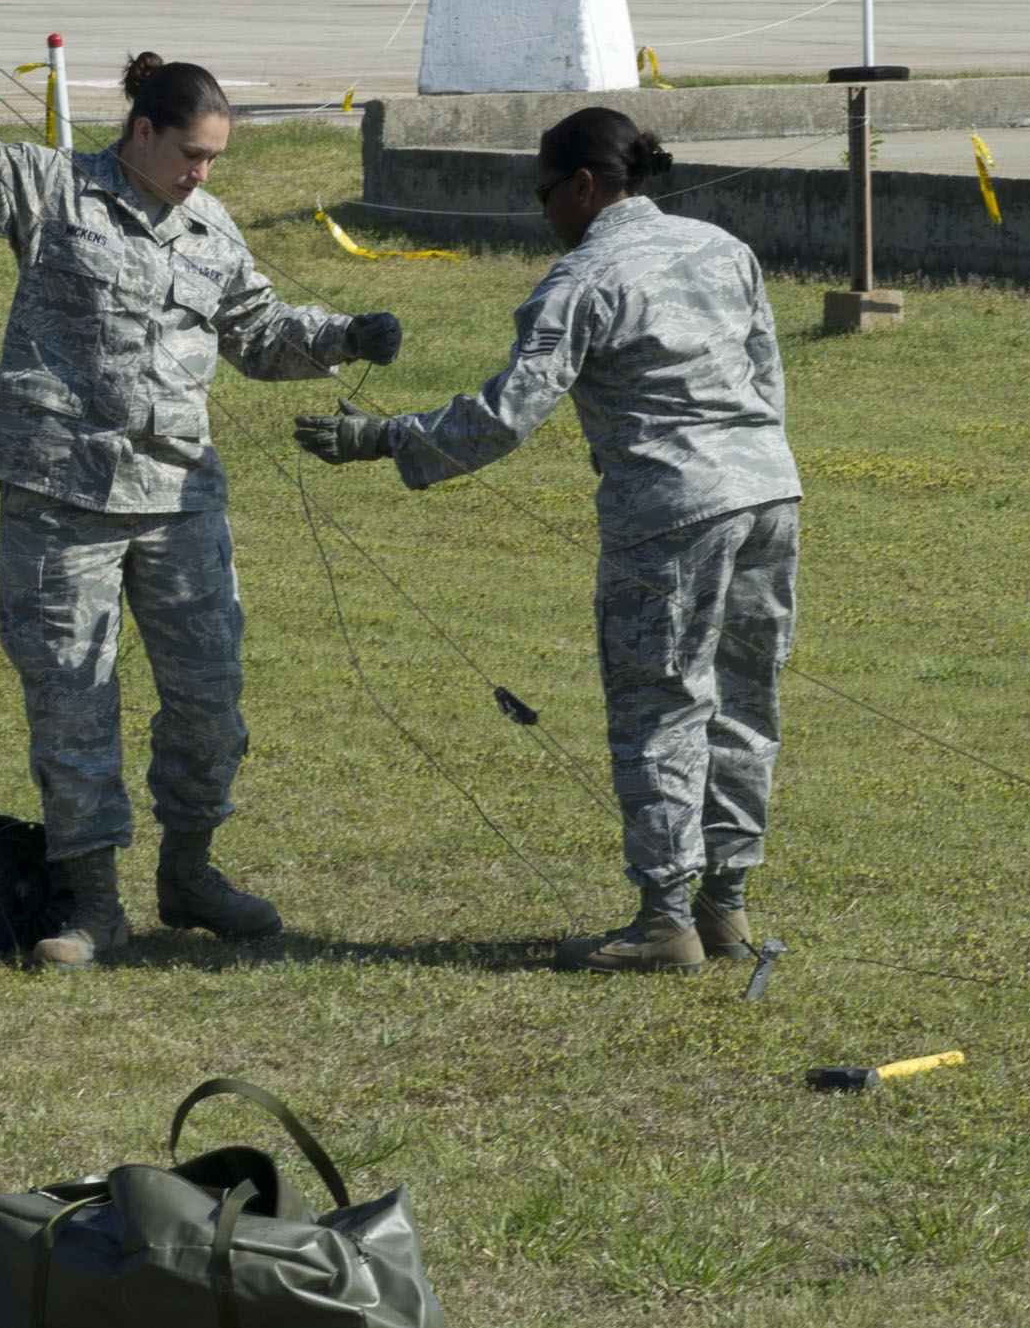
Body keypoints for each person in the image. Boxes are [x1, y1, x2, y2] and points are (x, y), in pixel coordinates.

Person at [296, 108, 800, 973]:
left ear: (584, 185)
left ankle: (664, 920)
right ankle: (729, 908)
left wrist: (380, 437)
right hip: (768, 493)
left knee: (660, 707)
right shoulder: (724, 247)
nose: (541, 212)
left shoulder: (580, 279)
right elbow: (766, 374)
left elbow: (502, 417)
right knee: (743, 706)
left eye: (543, 193)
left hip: (669, 515)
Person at [0, 48, 404, 965]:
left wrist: (341, 336)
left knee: (208, 701)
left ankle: (189, 875)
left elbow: (260, 332)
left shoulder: (210, 227)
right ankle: (96, 906)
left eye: (214, 161)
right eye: (190, 153)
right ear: (141, 130)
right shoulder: (55, 190)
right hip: (59, 493)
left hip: (178, 497)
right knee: (74, 700)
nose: (200, 173)